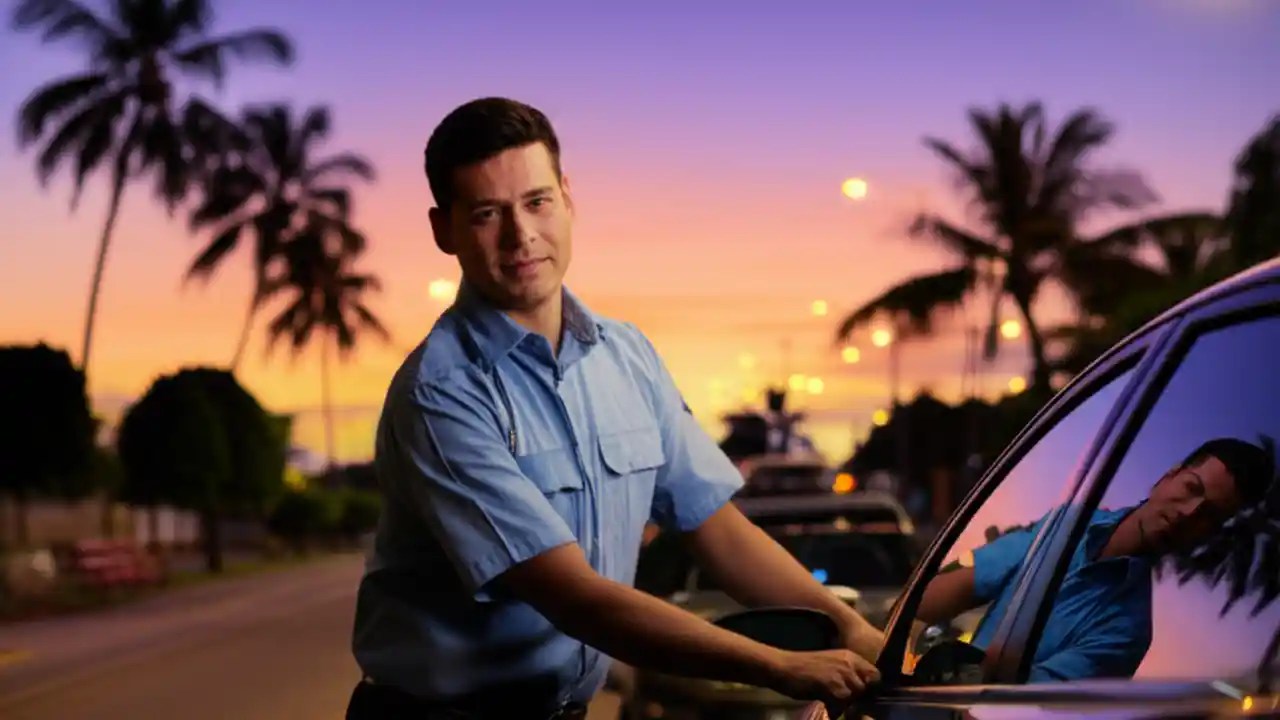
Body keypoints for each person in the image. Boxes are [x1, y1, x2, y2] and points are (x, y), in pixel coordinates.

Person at [346, 97, 883, 720]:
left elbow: (718, 531)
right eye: (489, 214)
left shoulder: (627, 356)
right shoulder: (441, 394)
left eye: (537, 202)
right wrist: (780, 666)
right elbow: (576, 599)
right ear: (445, 230)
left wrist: (848, 627)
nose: (522, 236)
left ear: (567, 197)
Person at [915, 437, 1271, 682]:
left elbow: (1028, 707)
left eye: (1210, 515)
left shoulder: (1125, 631)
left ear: (1211, 534)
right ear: (1169, 476)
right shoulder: (1067, 524)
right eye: (1192, 488)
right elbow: (935, 598)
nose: (1189, 513)